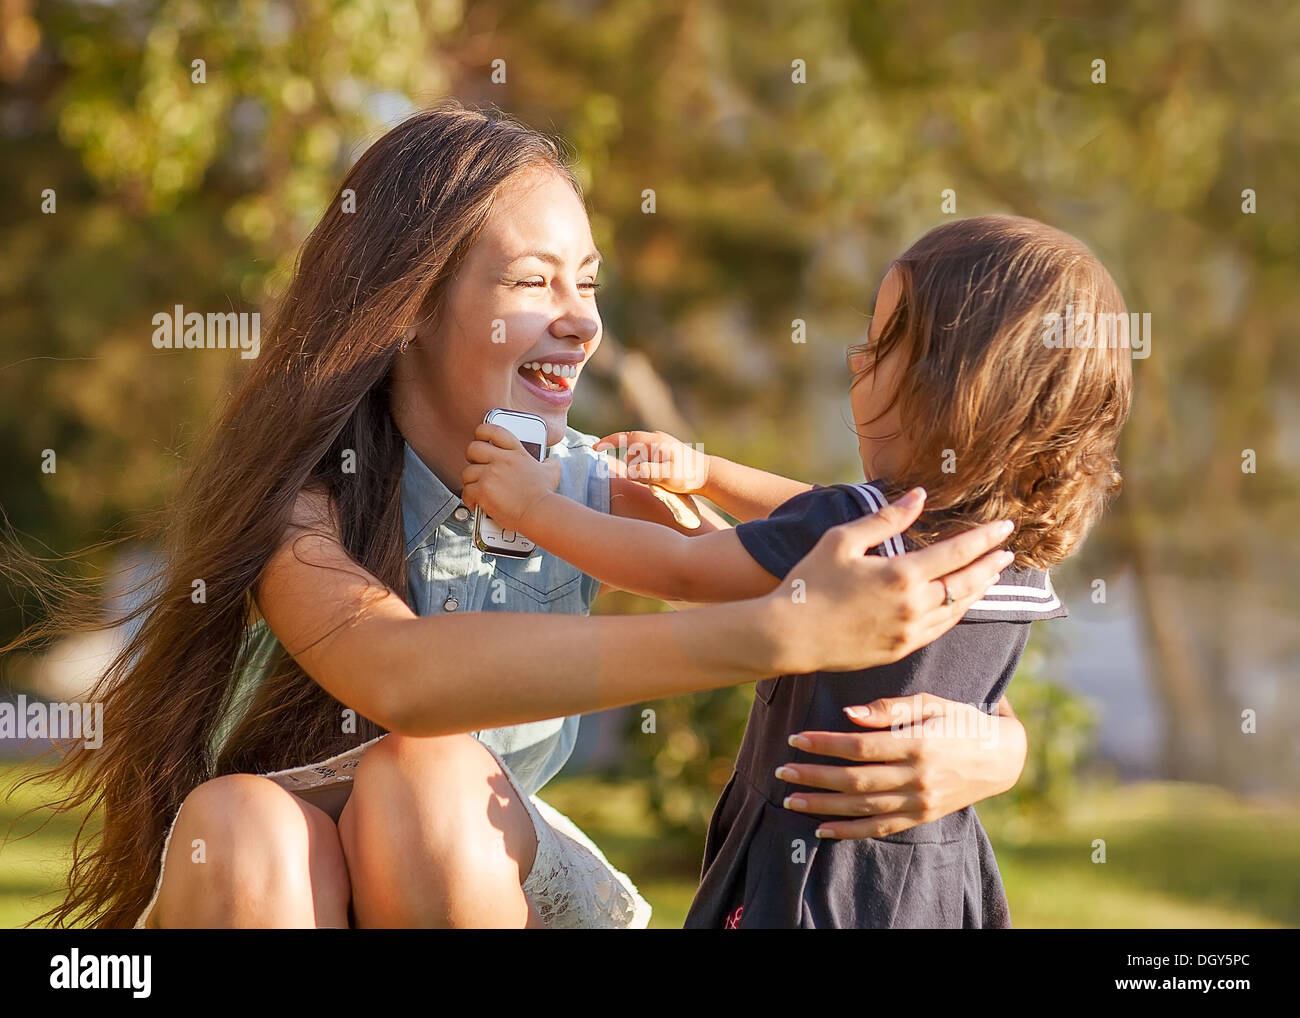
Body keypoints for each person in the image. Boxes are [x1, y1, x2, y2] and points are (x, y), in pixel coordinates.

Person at [10, 104, 1026, 930]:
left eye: (586, 282)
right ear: (408, 306)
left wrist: (993, 743)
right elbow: (401, 676)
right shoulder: (302, 505)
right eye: (535, 282)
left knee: (428, 782)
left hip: (476, 854)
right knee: (240, 821)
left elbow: (863, 592)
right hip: (273, 879)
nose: (580, 319)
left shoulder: (591, 481)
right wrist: (767, 636)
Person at [461, 214, 1133, 927]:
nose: (855, 361)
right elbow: (815, 514)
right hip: (936, 876)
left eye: (878, 347)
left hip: (809, 873)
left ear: (952, 386)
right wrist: (710, 473)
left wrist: (532, 505)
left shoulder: (861, 525)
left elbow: (683, 570)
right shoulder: (1009, 552)